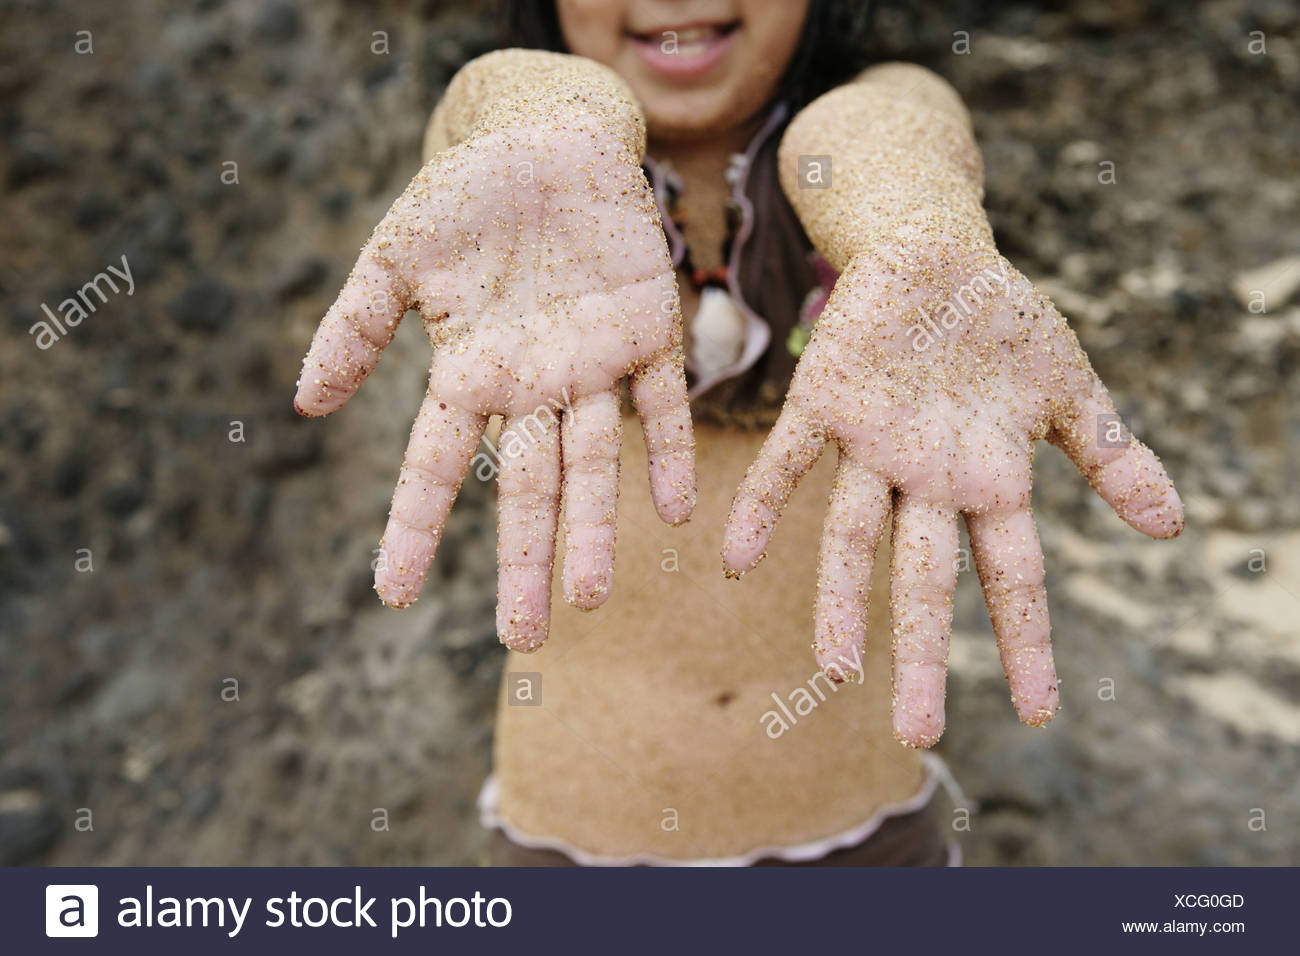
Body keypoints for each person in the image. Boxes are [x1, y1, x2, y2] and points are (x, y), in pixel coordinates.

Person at [294, 0, 1184, 866]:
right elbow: (503, 90)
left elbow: (885, 133)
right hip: (566, 845)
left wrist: (917, 227)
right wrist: (553, 118)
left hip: (864, 844)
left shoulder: (871, 117)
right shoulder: (512, 173)